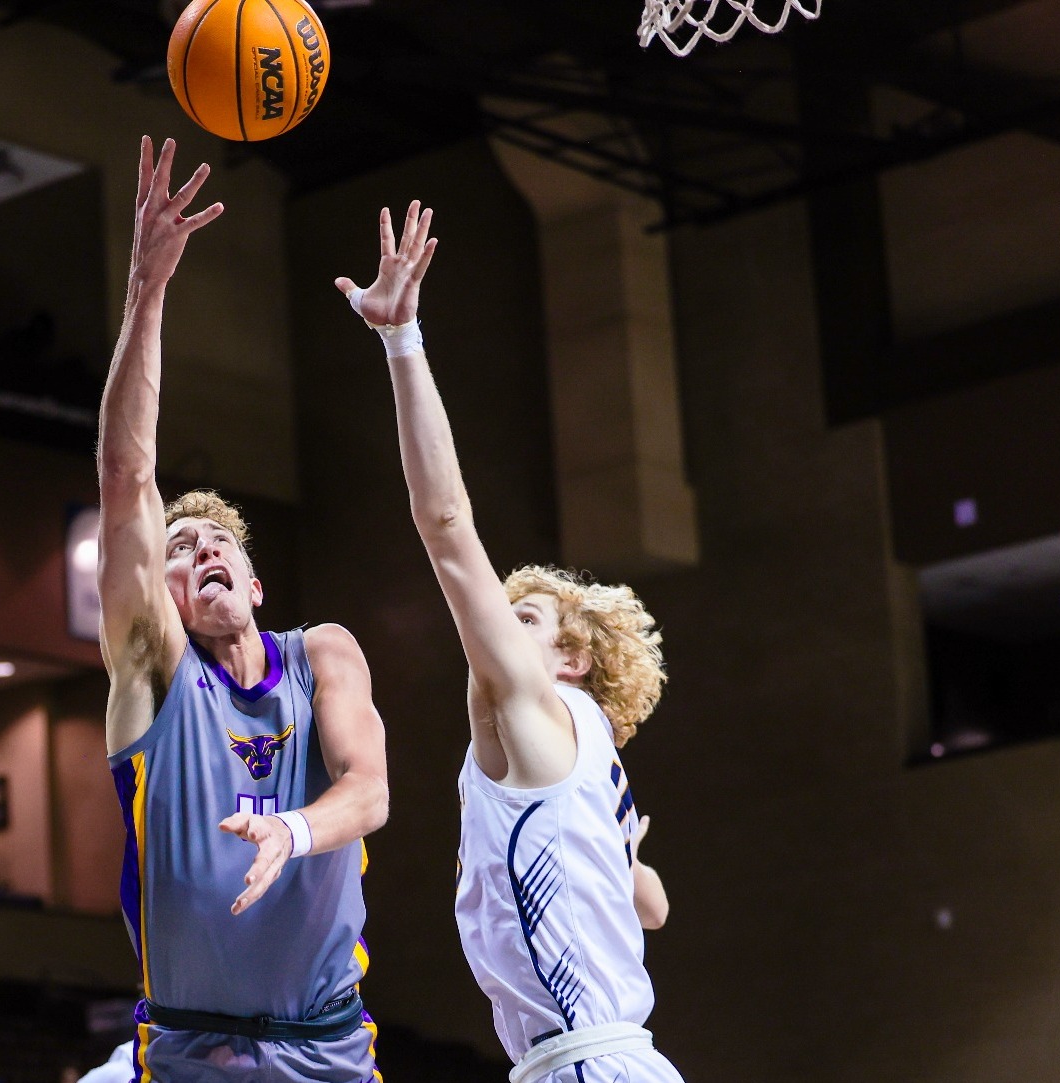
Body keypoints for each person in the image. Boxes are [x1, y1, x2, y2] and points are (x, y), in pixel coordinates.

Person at [339, 201, 679, 1082]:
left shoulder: (538, 710)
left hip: (584, 1065)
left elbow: (447, 525)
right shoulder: (590, 764)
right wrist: (623, 856)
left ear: (572, 660)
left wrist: (401, 341)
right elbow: (652, 909)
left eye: (523, 617)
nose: (496, 620)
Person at [95, 136, 390, 1082]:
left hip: (326, 1047)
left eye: (220, 543)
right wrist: (147, 287)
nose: (201, 551)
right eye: (178, 551)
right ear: (164, 597)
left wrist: (290, 828)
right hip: (189, 1048)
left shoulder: (324, 653)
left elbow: (369, 791)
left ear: (255, 583)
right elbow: (125, 474)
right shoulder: (151, 666)